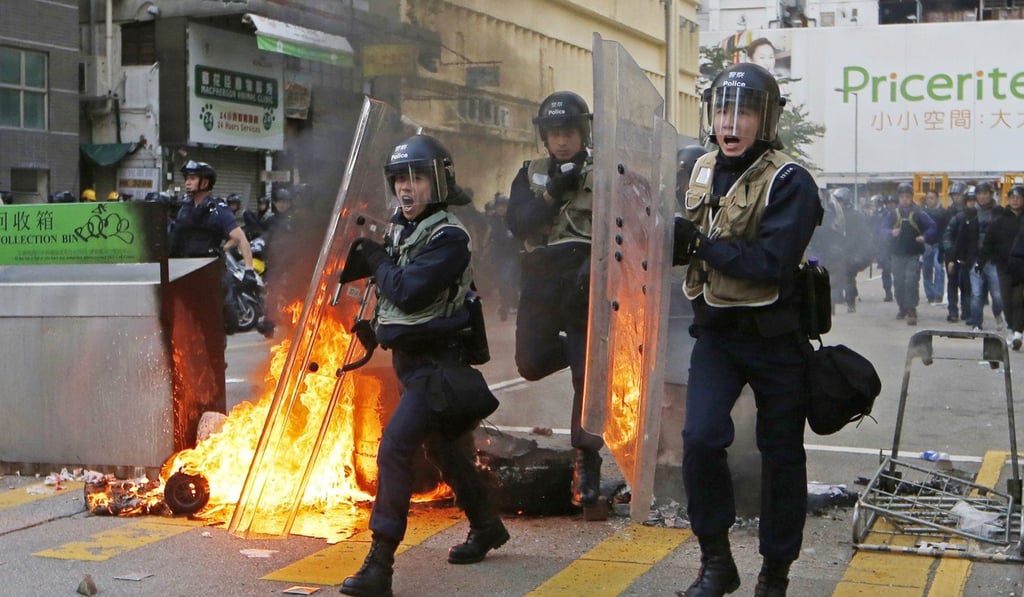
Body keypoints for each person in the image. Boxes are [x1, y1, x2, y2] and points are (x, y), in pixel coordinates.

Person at [673, 62, 823, 597]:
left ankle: (774, 575)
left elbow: (771, 263)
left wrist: (699, 245)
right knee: (700, 439)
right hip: (716, 334)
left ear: (767, 120)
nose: (730, 122)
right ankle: (716, 562)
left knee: (780, 454)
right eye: (722, 110)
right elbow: (682, 242)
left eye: (744, 112)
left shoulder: (791, 181)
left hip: (776, 336)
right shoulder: (699, 169)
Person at [339, 134, 508, 597]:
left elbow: (409, 290)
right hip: (414, 364)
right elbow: (400, 303)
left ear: (439, 184)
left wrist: (374, 257)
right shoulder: (404, 229)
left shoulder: (449, 237)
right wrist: (378, 329)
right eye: (399, 179)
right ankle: (487, 525)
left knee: (395, 448)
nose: (406, 188)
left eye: (416, 178)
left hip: (438, 368)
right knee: (445, 450)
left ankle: (379, 565)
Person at [505, 90, 605, 510]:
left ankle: (587, 462)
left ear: (583, 133)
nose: (562, 141)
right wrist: (552, 194)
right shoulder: (530, 173)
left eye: (569, 132)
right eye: (554, 133)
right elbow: (518, 223)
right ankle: (581, 352)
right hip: (542, 276)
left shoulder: (604, 172)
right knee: (529, 363)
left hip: (585, 278)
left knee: (586, 378)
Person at [169, 160, 257, 334]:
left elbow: (240, 238)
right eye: (186, 178)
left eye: (192, 178)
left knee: (217, 320)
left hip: (209, 272)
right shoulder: (184, 209)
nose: (187, 182)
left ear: (205, 182)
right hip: (184, 271)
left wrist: (249, 270)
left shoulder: (218, 209)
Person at [879, 182, 936, 326]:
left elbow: (932, 226)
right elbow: (882, 229)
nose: (905, 199)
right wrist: (891, 232)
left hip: (914, 253)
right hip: (897, 253)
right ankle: (902, 306)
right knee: (898, 282)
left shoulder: (919, 213)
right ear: (899, 198)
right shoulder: (892, 214)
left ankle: (911, 309)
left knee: (911, 281)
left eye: (908, 197)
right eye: (902, 197)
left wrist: (924, 237)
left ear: (912, 197)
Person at [982, 185, 1024, 346]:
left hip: (1022, 267)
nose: (1015, 200)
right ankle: (1012, 327)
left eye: (1019, 197)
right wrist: (985, 259)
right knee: (1005, 299)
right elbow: (988, 242)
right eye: (1012, 197)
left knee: (1019, 300)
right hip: (1004, 266)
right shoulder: (999, 220)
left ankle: (1018, 332)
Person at [942, 183, 973, 322]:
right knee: (952, 282)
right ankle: (953, 311)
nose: (956, 198)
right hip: (951, 252)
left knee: (966, 284)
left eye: (958, 195)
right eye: (954, 195)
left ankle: (967, 311)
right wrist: (947, 252)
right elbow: (944, 234)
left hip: (966, 253)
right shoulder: (948, 212)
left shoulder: (971, 212)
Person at [920, 190, 948, 305]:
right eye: (928, 198)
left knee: (938, 267)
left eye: (932, 198)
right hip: (926, 244)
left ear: (937, 199)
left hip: (938, 244)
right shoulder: (922, 213)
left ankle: (938, 294)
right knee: (927, 270)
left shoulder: (943, 212)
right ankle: (930, 294)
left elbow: (946, 229)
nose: (930, 200)